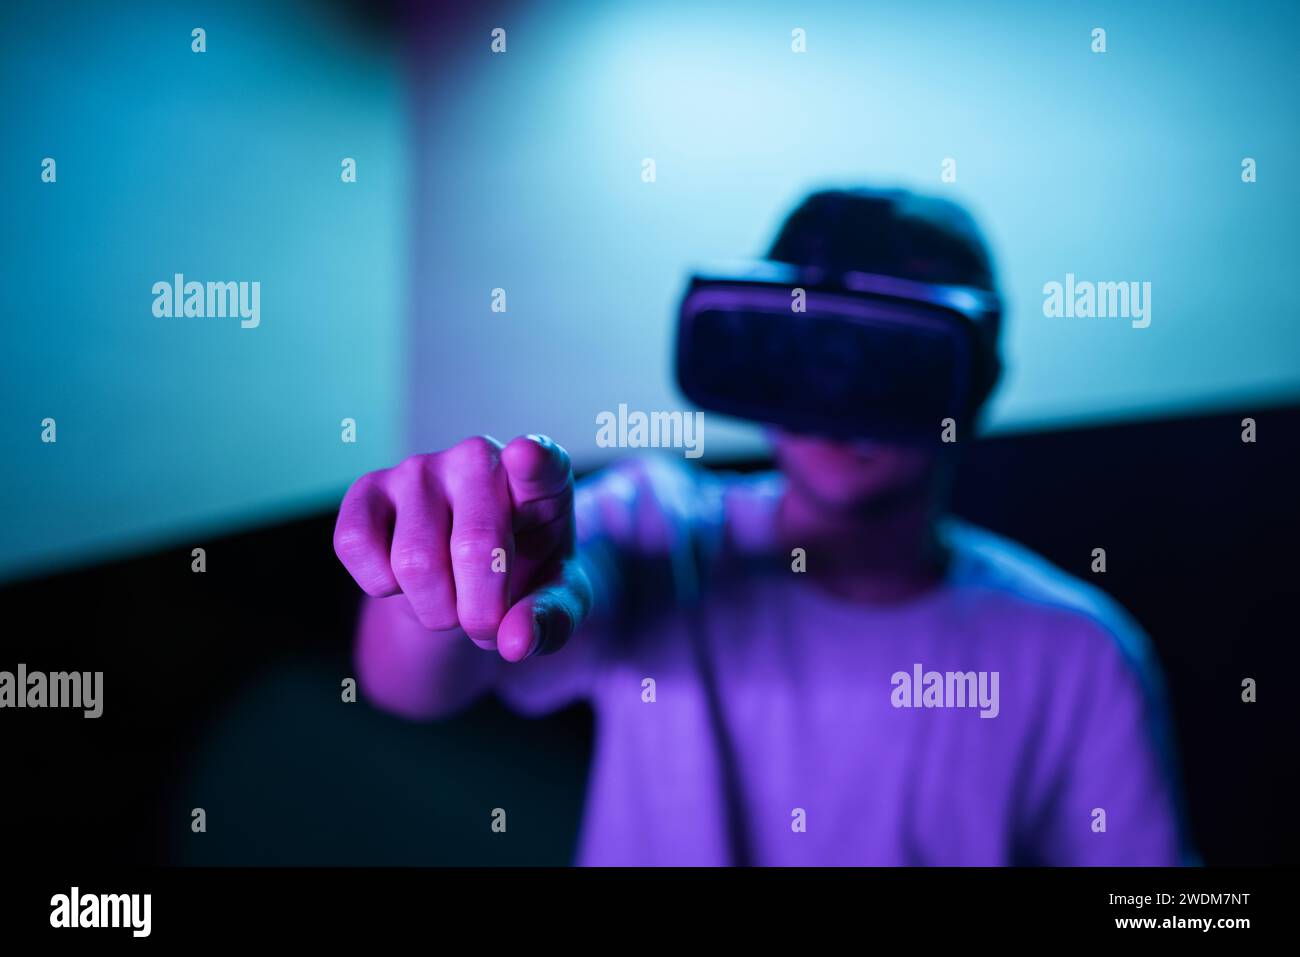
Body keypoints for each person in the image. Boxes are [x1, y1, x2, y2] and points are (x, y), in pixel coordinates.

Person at [332, 188, 1191, 866]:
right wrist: (444, 575)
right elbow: (408, 682)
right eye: (809, 348)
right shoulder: (658, 531)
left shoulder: (1078, 652)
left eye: (889, 361)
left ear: (971, 381)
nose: (838, 399)